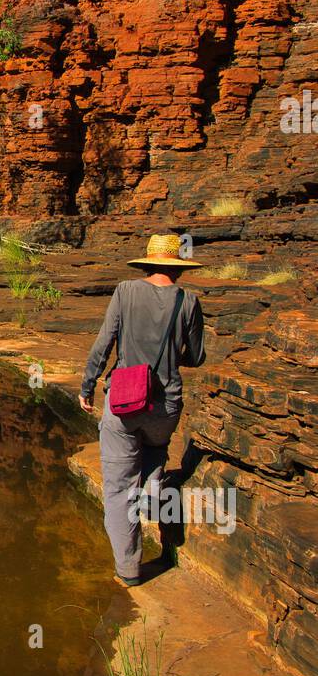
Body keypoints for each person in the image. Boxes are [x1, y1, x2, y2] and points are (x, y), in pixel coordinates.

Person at [79, 233, 206, 586]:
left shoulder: (125, 291)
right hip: (165, 405)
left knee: (118, 490)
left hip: (124, 401)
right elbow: (196, 357)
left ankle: (130, 571)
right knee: (154, 451)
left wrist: (87, 386)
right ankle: (152, 493)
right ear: (177, 267)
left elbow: (104, 343)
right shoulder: (189, 301)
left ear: (148, 263)